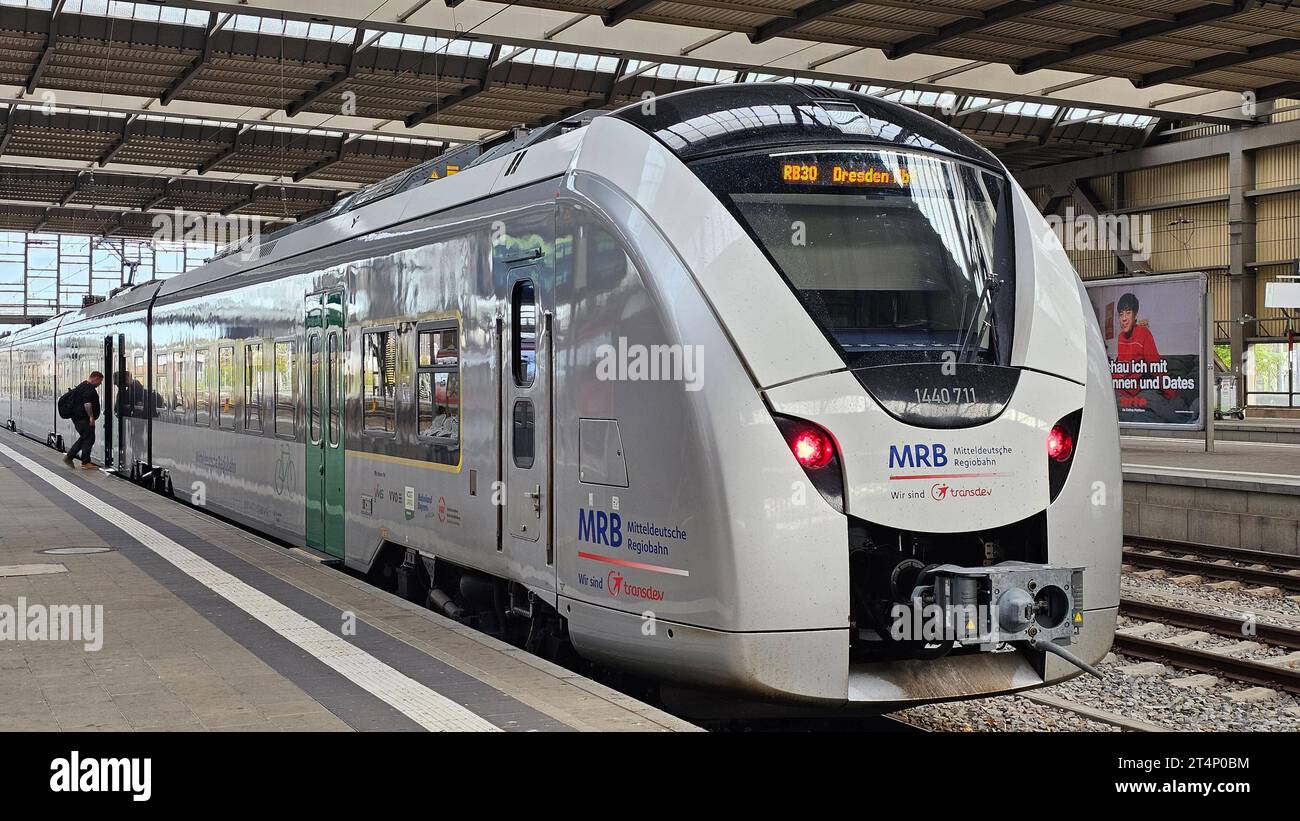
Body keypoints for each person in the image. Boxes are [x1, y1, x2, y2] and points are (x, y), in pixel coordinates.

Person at [1114, 292, 1181, 423]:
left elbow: (1156, 366)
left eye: (1128, 313)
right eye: (1121, 314)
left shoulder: (1143, 333)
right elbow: (1120, 366)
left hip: (1141, 390)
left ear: (1135, 315)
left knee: (1168, 411)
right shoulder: (1121, 337)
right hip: (1123, 392)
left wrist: (1172, 395)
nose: (1124, 318)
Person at [62, 371, 103, 469]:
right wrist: (91, 417)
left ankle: (70, 457)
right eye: (100, 381)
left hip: (78, 418)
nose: (100, 384)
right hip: (83, 418)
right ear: (95, 378)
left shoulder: (82, 385)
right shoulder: (89, 388)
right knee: (88, 438)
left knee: (86, 437)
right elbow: (87, 404)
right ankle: (84, 462)